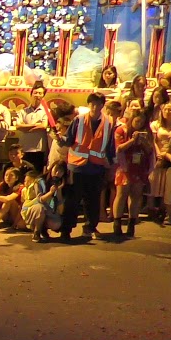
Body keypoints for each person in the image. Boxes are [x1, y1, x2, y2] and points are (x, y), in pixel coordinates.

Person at [58, 92, 115, 242]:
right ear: (89, 105)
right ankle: (66, 230)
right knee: (72, 201)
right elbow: (69, 139)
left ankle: (89, 228)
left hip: (96, 167)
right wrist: (59, 138)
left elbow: (110, 146)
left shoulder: (109, 123)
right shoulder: (79, 120)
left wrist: (111, 166)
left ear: (103, 105)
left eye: (98, 104)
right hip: (77, 166)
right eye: (92, 104)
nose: (95, 107)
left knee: (93, 201)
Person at [14, 83, 50, 171]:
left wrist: (25, 127)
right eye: (35, 93)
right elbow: (18, 126)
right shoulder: (23, 111)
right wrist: (36, 125)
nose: (37, 95)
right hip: (24, 148)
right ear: (31, 94)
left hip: (38, 149)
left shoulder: (46, 111)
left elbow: (43, 126)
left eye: (40, 93)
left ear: (43, 96)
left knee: (36, 174)